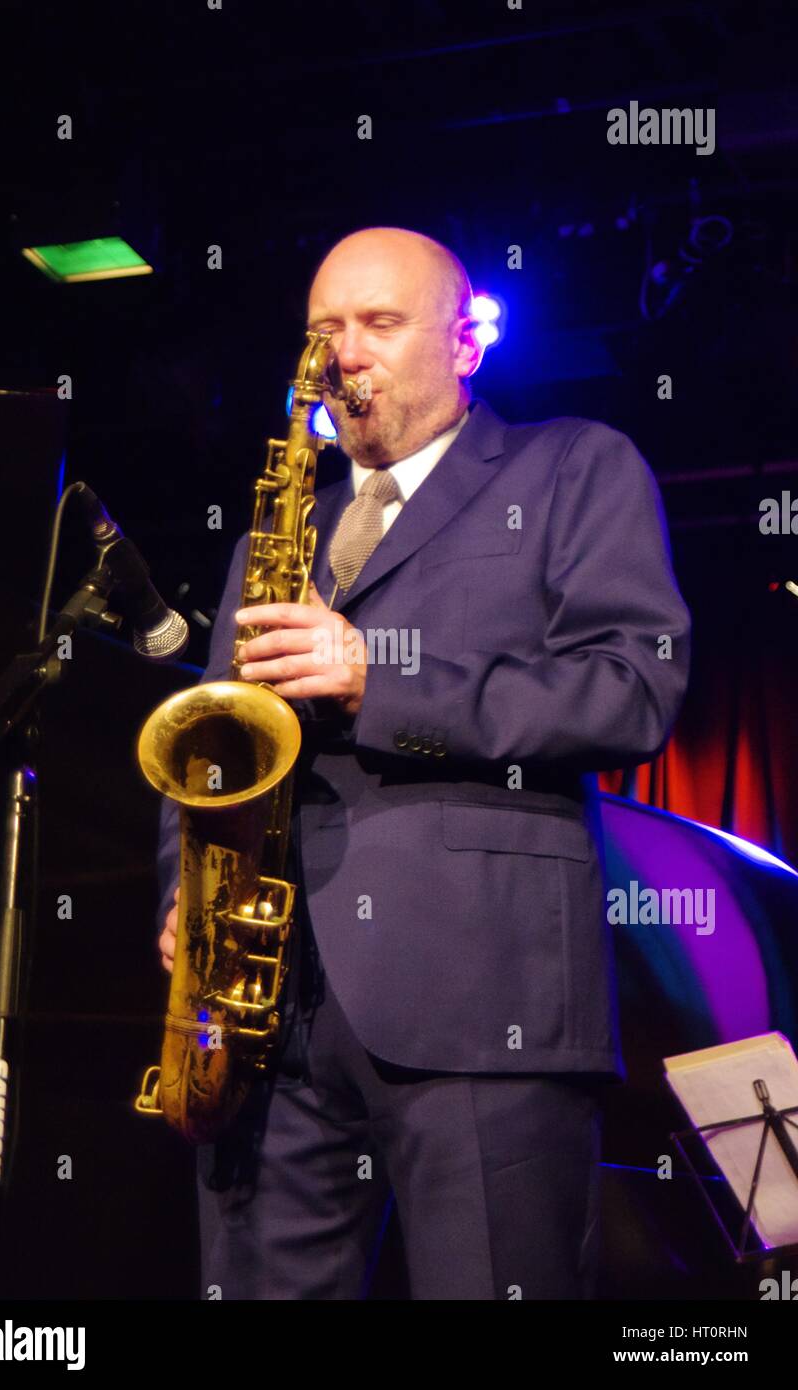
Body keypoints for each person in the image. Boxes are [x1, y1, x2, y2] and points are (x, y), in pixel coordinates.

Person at [155, 225, 691, 1300]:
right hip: (270, 1009)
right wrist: (186, 890)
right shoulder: (283, 526)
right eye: (326, 330)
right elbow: (211, 732)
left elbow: (633, 690)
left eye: (379, 324)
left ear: (464, 342)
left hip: (483, 1003)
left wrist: (375, 678)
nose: (345, 353)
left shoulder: (574, 465)